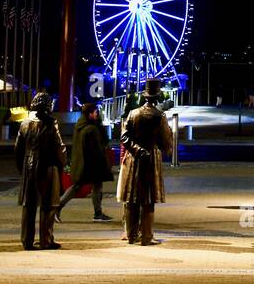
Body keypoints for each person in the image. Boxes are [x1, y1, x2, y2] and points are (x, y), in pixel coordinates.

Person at [118, 79, 174, 245]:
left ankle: (131, 234)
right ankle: (147, 236)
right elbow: (166, 141)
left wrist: (136, 149)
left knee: (132, 198)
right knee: (148, 199)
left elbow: (124, 137)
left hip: (133, 160)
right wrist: (167, 150)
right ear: (157, 97)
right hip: (151, 159)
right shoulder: (160, 116)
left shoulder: (133, 114)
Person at [15, 91, 67, 249]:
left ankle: (27, 241)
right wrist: (62, 164)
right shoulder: (51, 123)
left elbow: (18, 149)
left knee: (29, 206)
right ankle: (46, 240)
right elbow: (59, 148)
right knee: (48, 206)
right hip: (48, 166)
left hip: (29, 166)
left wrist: (22, 168)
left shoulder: (24, 123)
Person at [57, 101, 113, 222]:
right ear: (89, 114)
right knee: (80, 187)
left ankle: (98, 212)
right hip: (91, 163)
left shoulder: (80, 125)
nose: (97, 114)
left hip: (83, 162)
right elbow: (98, 147)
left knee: (89, 186)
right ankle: (58, 207)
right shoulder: (91, 128)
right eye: (95, 112)